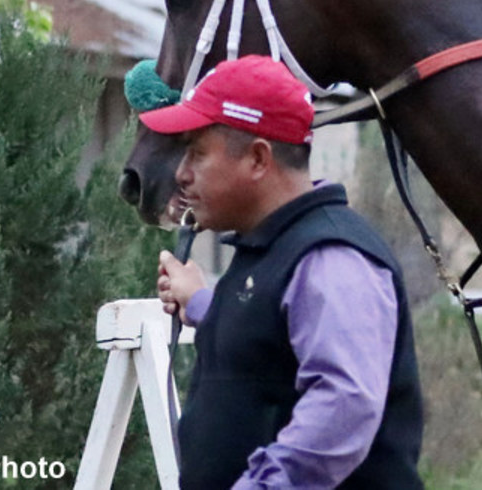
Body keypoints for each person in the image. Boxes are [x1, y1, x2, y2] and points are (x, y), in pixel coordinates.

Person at [144, 55, 425, 489]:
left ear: (258, 159)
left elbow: (344, 404)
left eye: (197, 153)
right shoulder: (272, 245)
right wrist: (199, 302)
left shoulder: (331, 257)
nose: (181, 173)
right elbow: (272, 342)